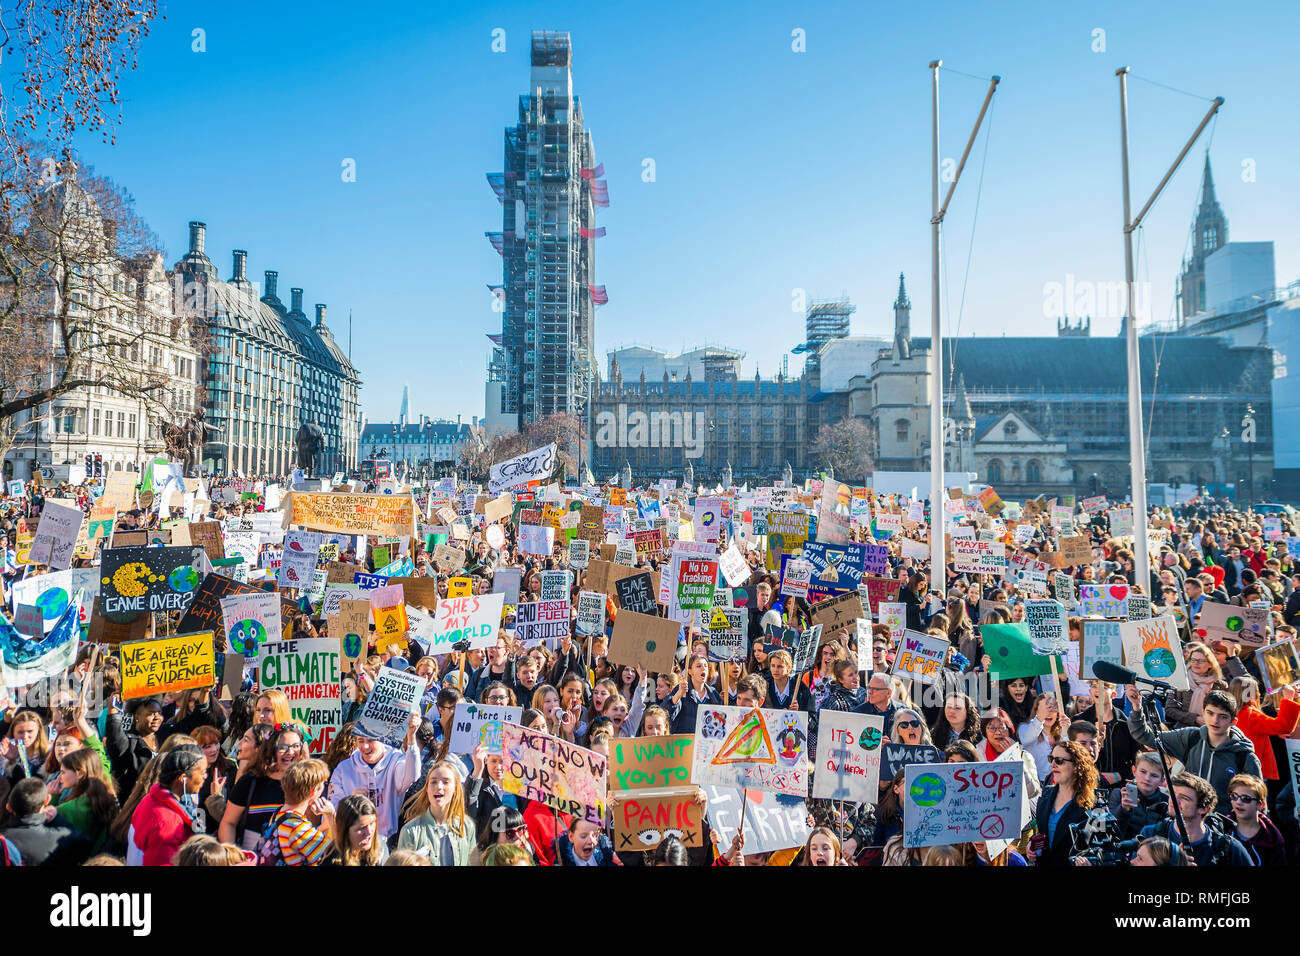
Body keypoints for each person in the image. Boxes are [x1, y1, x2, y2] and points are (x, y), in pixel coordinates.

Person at [1126, 689, 1262, 808]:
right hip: (1189, 823)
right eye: (1210, 713)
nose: (1215, 720)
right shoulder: (1191, 738)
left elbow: (1257, 802)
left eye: (1222, 716)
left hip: (1225, 828)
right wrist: (1137, 707)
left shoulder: (1244, 756)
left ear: (1234, 722)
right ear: (1203, 713)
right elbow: (1144, 735)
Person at [326, 712, 422, 841]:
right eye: (360, 741)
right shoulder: (343, 769)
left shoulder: (395, 760)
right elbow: (332, 809)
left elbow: (412, 775)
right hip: (353, 841)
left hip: (386, 840)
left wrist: (411, 738)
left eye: (371, 740)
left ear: (382, 738)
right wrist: (350, 801)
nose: (365, 747)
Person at [218, 723, 307, 851]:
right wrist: (234, 856)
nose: (290, 752)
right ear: (271, 749)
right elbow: (228, 823)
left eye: (295, 746)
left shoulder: (305, 784)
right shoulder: (250, 781)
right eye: (283, 747)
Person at [1138, 772, 1255, 867]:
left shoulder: (1227, 848)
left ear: (1204, 808)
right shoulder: (1150, 835)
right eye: (1172, 795)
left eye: (1184, 798)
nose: (1174, 801)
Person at [131, 744, 207, 866]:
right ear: (183, 778)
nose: (205, 777)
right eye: (202, 772)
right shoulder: (167, 824)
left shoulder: (150, 798)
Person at [1026, 740, 1095, 867]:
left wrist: (1090, 863)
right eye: (1051, 759)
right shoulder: (1046, 794)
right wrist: (1032, 845)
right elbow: (1042, 833)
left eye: (1059, 761)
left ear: (1077, 766)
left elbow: (1100, 847)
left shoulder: (1093, 804)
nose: (1052, 765)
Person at [397, 760, 475, 865]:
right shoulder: (410, 831)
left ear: (455, 789)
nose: (439, 787)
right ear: (427, 788)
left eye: (445, 782)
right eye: (433, 782)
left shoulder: (466, 826)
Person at [1, 778, 90, 865]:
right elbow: (85, 847)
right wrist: (57, 818)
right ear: (47, 800)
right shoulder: (60, 838)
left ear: (8, 807)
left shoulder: (3, 838)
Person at [264, 758, 334, 866]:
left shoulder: (278, 814)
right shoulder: (298, 828)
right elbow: (335, 856)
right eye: (323, 784)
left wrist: (324, 826)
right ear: (313, 791)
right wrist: (331, 816)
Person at [1224, 773, 1286, 866]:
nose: (1238, 802)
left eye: (1246, 798)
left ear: (1261, 805)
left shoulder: (1272, 839)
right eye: (1234, 796)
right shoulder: (1221, 829)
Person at [1108, 752, 1169, 840]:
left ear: (1162, 780)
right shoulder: (1119, 794)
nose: (1147, 778)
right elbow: (1111, 835)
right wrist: (1124, 810)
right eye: (1143, 772)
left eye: (1154, 775)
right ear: (1134, 771)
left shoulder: (1166, 801)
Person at [1166, 641, 1227, 728]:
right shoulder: (1181, 681)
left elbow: (1225, 711)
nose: (1196, 663)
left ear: (1210, 664)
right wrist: (1195, 719)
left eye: (1201, 661)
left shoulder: (1220, 685)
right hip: (1183, 731)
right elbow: (1170, 710)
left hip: (1212, 730)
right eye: (1193, 660)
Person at [325, 793, 389, 866]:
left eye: (372, 823)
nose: (369, 832)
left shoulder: (378, 852)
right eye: (362, 828)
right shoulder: (332, 862)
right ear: (345, 831)